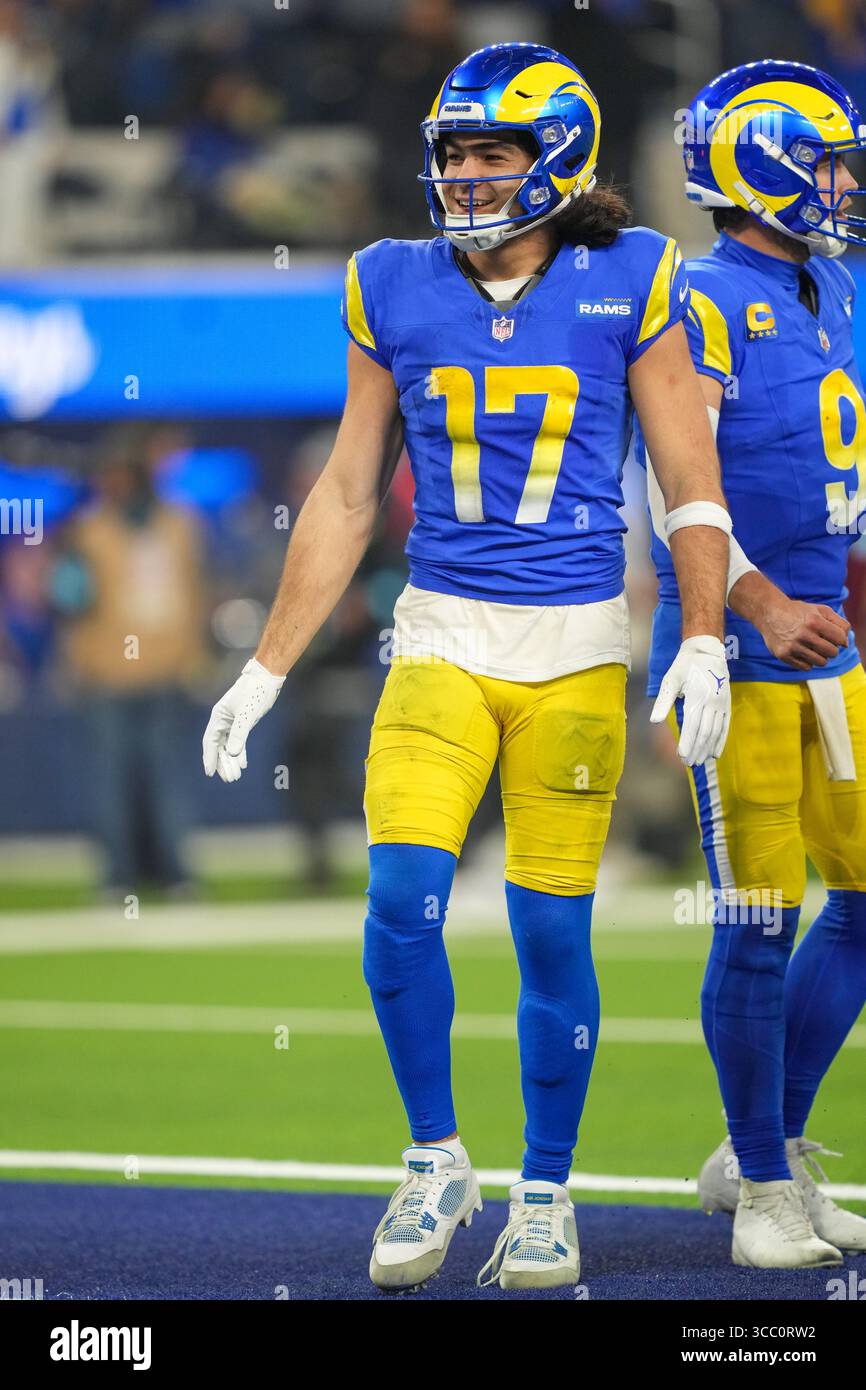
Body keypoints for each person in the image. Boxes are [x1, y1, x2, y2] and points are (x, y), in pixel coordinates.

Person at [203, 41, 733, 1292]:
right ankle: (437, 1155)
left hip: (574, 651)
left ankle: (545, 1189)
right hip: (439, 632)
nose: (468, 173)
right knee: (400, 905)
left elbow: (687, 482)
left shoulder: (635, 276)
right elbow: (343, 492)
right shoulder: (388, 280)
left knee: (553, 934)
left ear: (554, 154)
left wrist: (702, 631)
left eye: (493, 151)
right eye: (454, 151)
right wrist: (267, 665)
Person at [641, 58, 866, 1269]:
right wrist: (761, 602)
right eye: (826, 160)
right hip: (738, 646)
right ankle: (763, 1186)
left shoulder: (832, 282)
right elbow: (672, 487)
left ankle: (761, 1144)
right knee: (757, 920)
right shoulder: (700, 299)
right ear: (764, 168)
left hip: (832, 641)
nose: (841, 182)